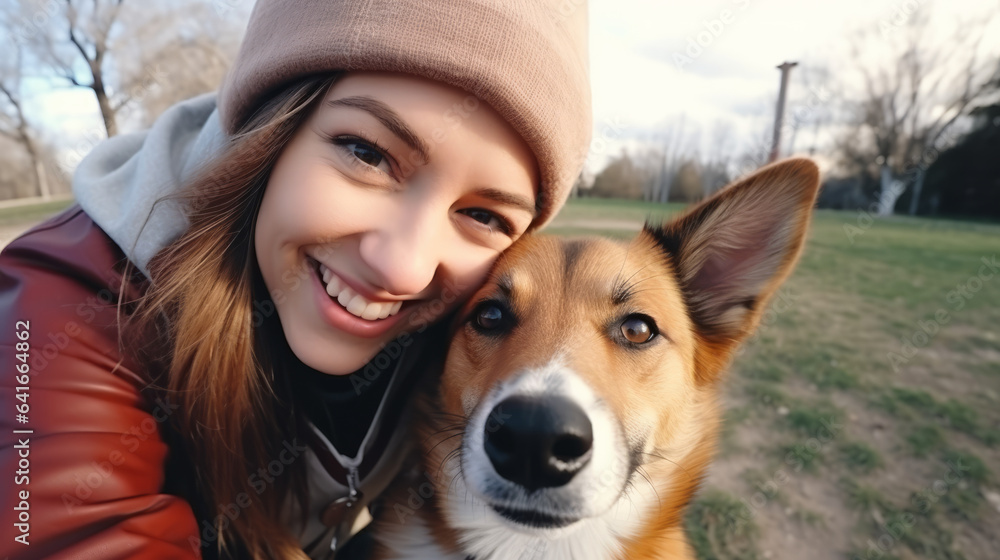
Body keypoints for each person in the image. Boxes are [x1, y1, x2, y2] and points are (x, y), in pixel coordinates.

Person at [0, 1, 591, 558]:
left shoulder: (475, 320)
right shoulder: (60, 317)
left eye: (484, 216)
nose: (403, 268)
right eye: (366, 153)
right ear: (270, 130)